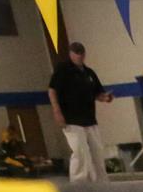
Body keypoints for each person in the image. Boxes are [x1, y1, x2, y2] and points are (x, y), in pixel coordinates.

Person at [47, 42, 112, 183]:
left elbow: (98, 93)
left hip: (89, 118)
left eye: (82, 54)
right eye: (77, 53)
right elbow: (52, 90)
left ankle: (102, 183)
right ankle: (79, 184)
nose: (80, 56)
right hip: (71, 118)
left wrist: (105, 97)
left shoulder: (89, 73)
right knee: (80, 152)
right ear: (71, 54)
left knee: (97, 152)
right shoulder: (63, 70)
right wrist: (57, 111)